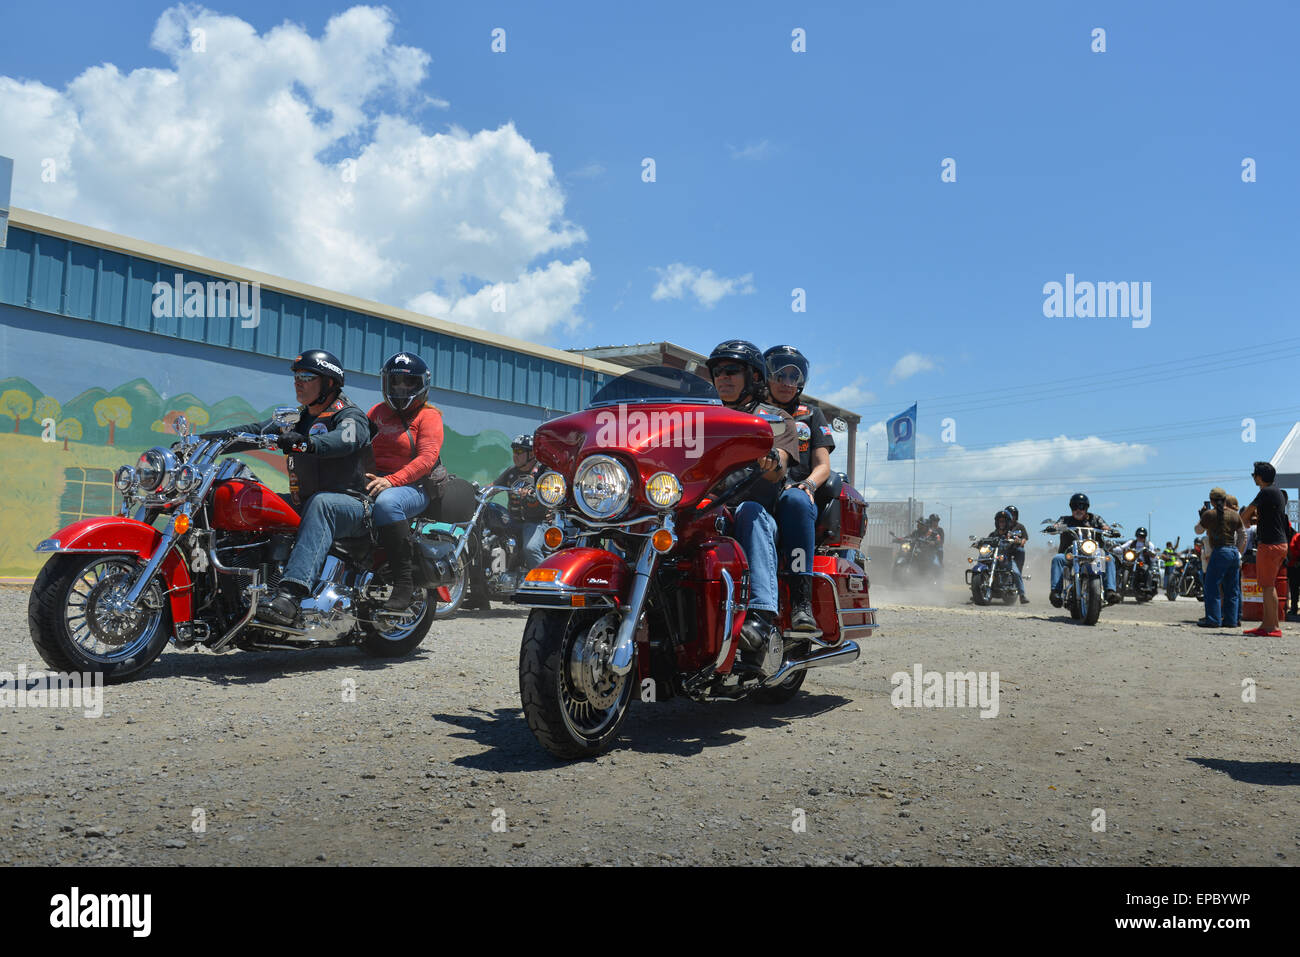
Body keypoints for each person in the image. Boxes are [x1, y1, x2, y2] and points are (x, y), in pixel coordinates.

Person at [206, 350, 372, 626]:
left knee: (322, 503)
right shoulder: (297, 418)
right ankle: (227, 589)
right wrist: (205, 442)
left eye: (307, 376)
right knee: (245, 500)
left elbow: (345, 440)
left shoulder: (350, 416)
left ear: (329, 383)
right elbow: (253, 430)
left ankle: (290, 596)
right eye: (296, 376)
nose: (298, 382)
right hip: (303, 501)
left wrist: (304, 443)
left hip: (350, 506)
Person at [706, 339, 800, 669]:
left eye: (732, 370)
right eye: (718, 371)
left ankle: (761, 618)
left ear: (755, 378)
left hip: (756, 516)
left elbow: (781, 467)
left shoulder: (775, 419)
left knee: (749, 512)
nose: (723, 377)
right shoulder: (705, 418)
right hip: (705, 510)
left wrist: (772, 458)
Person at [763, 344, 835, 635]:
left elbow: (823, 465)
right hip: (756, 487)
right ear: (767, 375)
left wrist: (808, 484)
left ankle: (801, 602)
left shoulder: (811, 415)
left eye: (793, 376)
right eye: (780, 375)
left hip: (793, 489)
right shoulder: (752, 410)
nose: (786, 382)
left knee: (795, 501)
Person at [365, 352, 445, 610]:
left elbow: (427, 459)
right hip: (377, 479)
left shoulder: (428, 416)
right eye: (395, 382)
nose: (400, 388)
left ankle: (404, 582)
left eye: (408, 383)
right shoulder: (377, 412)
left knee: (388, 505)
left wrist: (392, 481)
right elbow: (356, 444)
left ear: (421, 384)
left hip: (415, 485)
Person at [1238, 461, 1289, 637]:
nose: (1253, 477)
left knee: (1267, 586)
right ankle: (1269, 624)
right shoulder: (1277, 492)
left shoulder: (1265, 492)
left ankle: (1271, 627)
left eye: (1254, 475)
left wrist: (1243, 522)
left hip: (1269, 544)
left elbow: (1244, 515)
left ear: (1259, 477)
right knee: (1270, 585)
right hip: (1280, 543)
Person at [1048, 492, 1119, 606]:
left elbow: (1105, 527)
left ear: (1086, 508)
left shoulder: (1095, 519)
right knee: (1057, 559)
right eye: (1075, 507)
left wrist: (1111, 531)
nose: (1078, 510)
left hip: (1095, 552)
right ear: (1071, 508)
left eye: (1081, 506)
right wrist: (1053, 528)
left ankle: (1110, 591)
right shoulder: (1065, 520)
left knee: (1109, 558)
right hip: (1070, 552)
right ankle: (1056, 592)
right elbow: (1057, 525)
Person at [494, 434, 548, 572]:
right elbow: (494, 487)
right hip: (513, 521)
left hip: (536, 523)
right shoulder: (511, 472)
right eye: (514, 451)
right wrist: (477, 492)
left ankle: (543, 583)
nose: (515, 455)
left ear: (531, 454)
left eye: (519, 451)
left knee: (531, 548)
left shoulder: (542, 473)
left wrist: (532, 494)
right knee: (491, 535)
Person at [1194, 487, 1243, 629]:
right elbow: (1242, 534)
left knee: (1211, 586)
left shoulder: (1210, 514)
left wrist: (1202, 516)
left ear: (1211, 500)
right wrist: (1238, 551)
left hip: (1220, 551)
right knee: (1232, 589)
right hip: (1233, 552)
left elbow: (1198, 530)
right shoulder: (1234, 515)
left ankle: (1214, 619)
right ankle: (1231, 620)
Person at [991, 509, 1028, 603]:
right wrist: (978, 543)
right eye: (1000, 521)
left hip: (1005, 559)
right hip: (992, 559)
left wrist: (1017, 541)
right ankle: (977, 590)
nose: (1001, 523)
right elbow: (986, 541)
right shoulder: (993, 534)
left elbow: (1021, 540)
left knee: (1015, 571)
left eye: (1003, 521)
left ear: (1007, 522)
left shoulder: (1011, 534)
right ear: (997, 522)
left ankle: (1022, 595)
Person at [1113, 526, 1160, 595]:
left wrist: (1151, 554)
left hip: (1141, 563)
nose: (1140, 537)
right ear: (1136, 535)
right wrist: (1113, 549)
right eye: (1139, 535)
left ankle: (1148, 586)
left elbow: (1153, 556)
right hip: (1131, 561)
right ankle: (1119, 585)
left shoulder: (1149, 544)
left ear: (1145, 536)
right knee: (1120, 567)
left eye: (1142, 536)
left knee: (1148, 570)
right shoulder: (1131, 542)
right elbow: (1122, 548)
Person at [1004, 505, 1029, 575]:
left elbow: (1024, 539)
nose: (1012, 516)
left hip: (1016, 549)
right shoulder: (1002, 526)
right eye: (1010, 514)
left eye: (1014, 515)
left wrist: (1019, 541)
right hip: (1004, 549)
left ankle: (1018, 573)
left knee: (1021, 550)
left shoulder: (1020, 526)